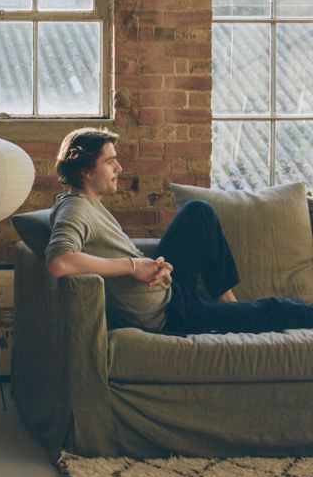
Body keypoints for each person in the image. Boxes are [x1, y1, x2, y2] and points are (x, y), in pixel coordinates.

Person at [45, 127, 313, 336]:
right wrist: (132, 266)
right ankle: (235, 313)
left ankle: (229, 306)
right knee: (278, 309)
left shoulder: (88, 205)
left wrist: (158, 266)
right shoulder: (75, 211)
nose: (119, 168)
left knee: (199, 212)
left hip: (167, 291)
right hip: (169, 314)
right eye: (110, 162)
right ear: (86, 172)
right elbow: (59, 262)